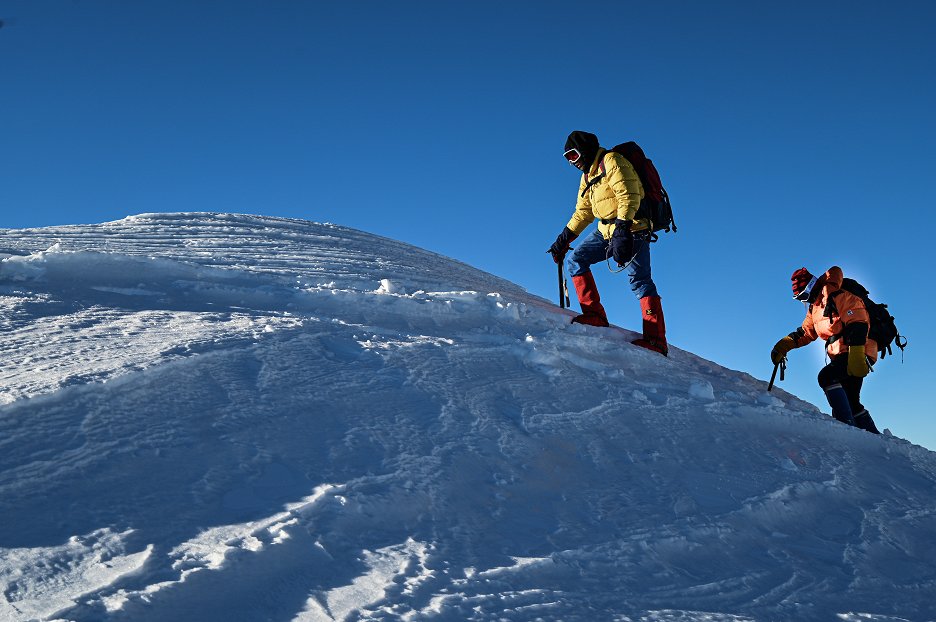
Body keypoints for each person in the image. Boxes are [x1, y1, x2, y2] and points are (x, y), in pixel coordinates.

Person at [548, 131, 668, 356]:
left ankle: (656, 339)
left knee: (639, 280)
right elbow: (583, 212)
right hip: (606, 231)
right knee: (577, 259)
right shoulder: (587, 177)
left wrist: (623, 230)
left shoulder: (612, 161)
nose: (573, 162)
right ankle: (595, 315)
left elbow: (629, 195)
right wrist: (564, 239)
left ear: (584, 150)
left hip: (633, 228)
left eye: (573, 155)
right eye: (568, 159)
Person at [771, 266, 881, 434]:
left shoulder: (836, 294)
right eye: (800, 298)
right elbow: (806, 333)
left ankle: (845, 428)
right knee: (851, 400)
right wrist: (783, 345)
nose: (804, 300)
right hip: (841, 355)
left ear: (811, 286)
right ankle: (874, 439)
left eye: (803, 295)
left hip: (858, 351)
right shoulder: (814, 308)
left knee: (827, 377)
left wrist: (857, 353)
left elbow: (858, 320)